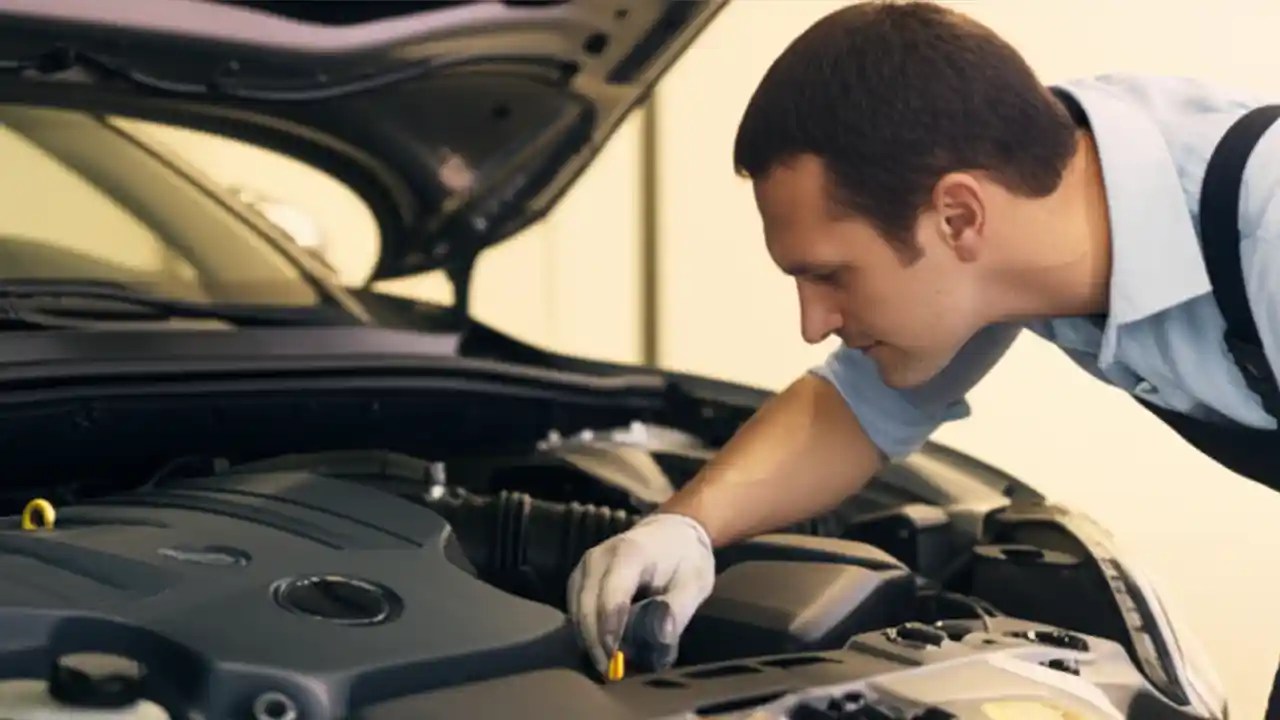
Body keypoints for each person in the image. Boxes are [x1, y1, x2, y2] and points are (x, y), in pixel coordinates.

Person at [566, 0, 1280, 711]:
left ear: (959, 216)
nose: (813, 324)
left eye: (830, 275)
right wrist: (683, 526)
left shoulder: (1266, 230)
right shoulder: (1036, 197)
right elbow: (859, 406)